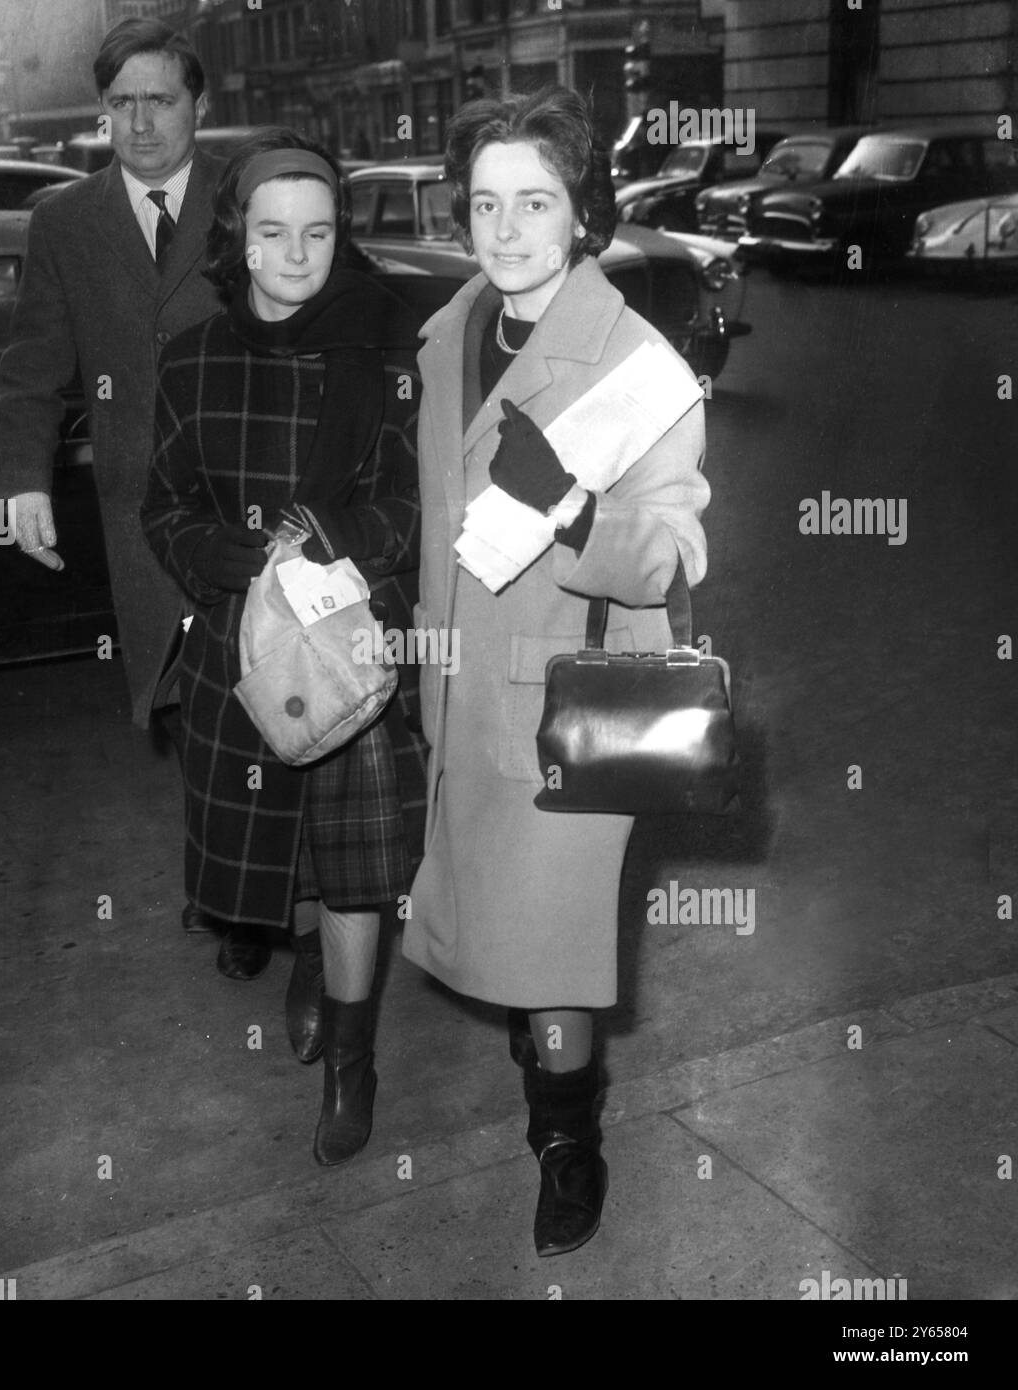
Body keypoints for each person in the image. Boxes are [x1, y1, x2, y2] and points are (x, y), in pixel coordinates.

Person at [402, 87, 711, 1256]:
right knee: (500, 945)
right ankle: (552, 1093)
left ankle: (569, 1147)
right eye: (485, 202)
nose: (507, 227)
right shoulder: (449, 332)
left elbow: (676, 550)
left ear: (585, 215)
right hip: (454, 689)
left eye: (536, 201)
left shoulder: (633, 362)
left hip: (556, 705)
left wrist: (572, 508)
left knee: (551, 964)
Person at [141, 129, 427, 1165]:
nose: (299, 254)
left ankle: (353, 1065)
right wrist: (232, 556)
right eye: (274, 233)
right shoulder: (190, 362)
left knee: (352, 863)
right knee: (273, 852)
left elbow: (415, 505)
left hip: (351, 650)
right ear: (239, 242)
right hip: (240, 654)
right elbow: (162, 509)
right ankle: (304, 955)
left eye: (319, 231)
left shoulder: (386, 352)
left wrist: (335, 538)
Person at [0, 19, 260, 975]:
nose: (140, 122)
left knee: (274, 693)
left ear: (201, 106)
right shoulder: (64, 223)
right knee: (188, 706)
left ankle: (285, 905)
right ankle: (230, 891)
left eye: (160, 100)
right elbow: (32, 368)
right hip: (140, 519)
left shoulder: (249, 201)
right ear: (102, 110)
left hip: (250, 503)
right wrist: (23, 478)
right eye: (122, 103)